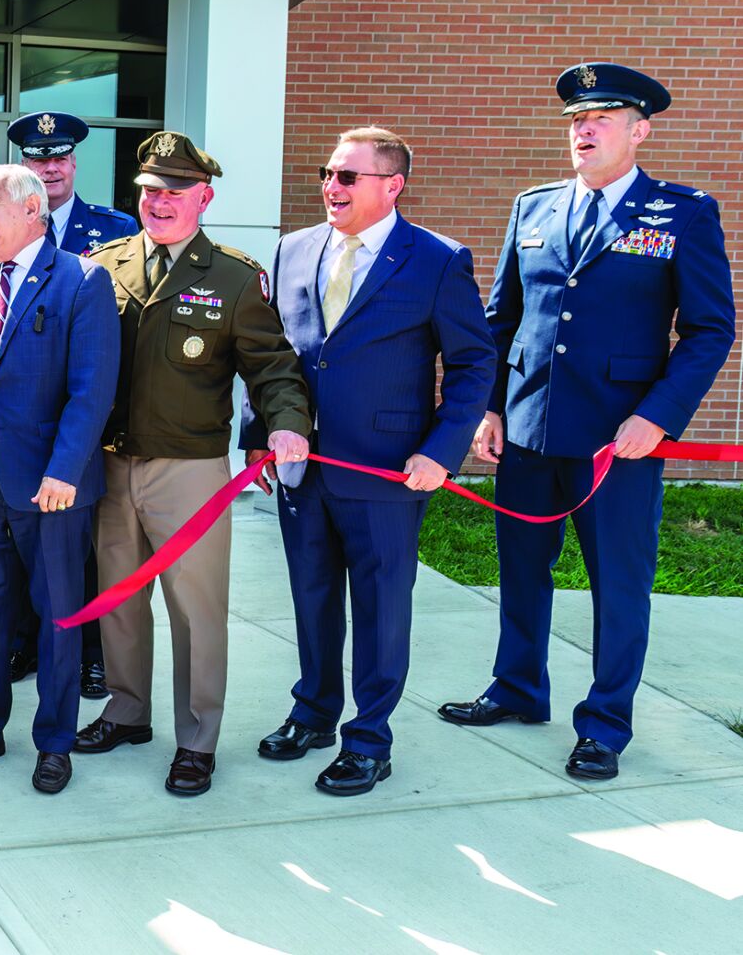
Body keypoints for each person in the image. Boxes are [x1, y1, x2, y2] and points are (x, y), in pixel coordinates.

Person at [442, 63, 735, 781]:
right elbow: (501, 318)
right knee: (520, 569)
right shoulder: (534, 207)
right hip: (529, 428)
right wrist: (488, 407)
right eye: (577, 119)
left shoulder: (682, 213)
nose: (584, 130)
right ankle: (517, 687)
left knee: (618, 585)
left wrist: (656, 417)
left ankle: (604, 723)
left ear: (639, 131)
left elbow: (708, 330)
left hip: (618, 441)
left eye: (601, 119)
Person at [245, 128, 494, 794]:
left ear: (392, 185)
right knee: (312, 597)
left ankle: (369, 740)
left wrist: (441, 451)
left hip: (387, 471)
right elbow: (271, 352)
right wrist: (260, 431)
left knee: (381, 610)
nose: (331, 186)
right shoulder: (294, 248)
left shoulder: (436, 259)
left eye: (347, 176)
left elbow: (473, 364)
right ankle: (313, 714)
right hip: (302, 466)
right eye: (327, 173)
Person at [77, 131, 312, 797]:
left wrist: (285, 424)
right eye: (150, 190)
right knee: (119, 601)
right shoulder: (102, 265)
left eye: (174, 192)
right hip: (111, 466)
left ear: (203, 198)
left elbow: (273, 368)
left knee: (195, 613)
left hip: (189, 471)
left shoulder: (234, 277)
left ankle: (197, 739)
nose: (159, 202)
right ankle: (126, 711)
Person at [0, 164, 119, 795]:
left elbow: (92, 391)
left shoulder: (82, 280)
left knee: (58, 620)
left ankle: (55, 742)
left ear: (32, 210)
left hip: (53, 489)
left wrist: (65, 470)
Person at [0, 112, 137, 697]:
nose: (50, 168)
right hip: (14, 439)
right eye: (38, 159)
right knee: (20, 560)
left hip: (84, 434)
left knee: (79, 561)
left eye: (59, 157)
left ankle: (90, 655)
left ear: (73, 163)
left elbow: (102, 361)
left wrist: (72, 456)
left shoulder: (113, 229)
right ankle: (24, 643)